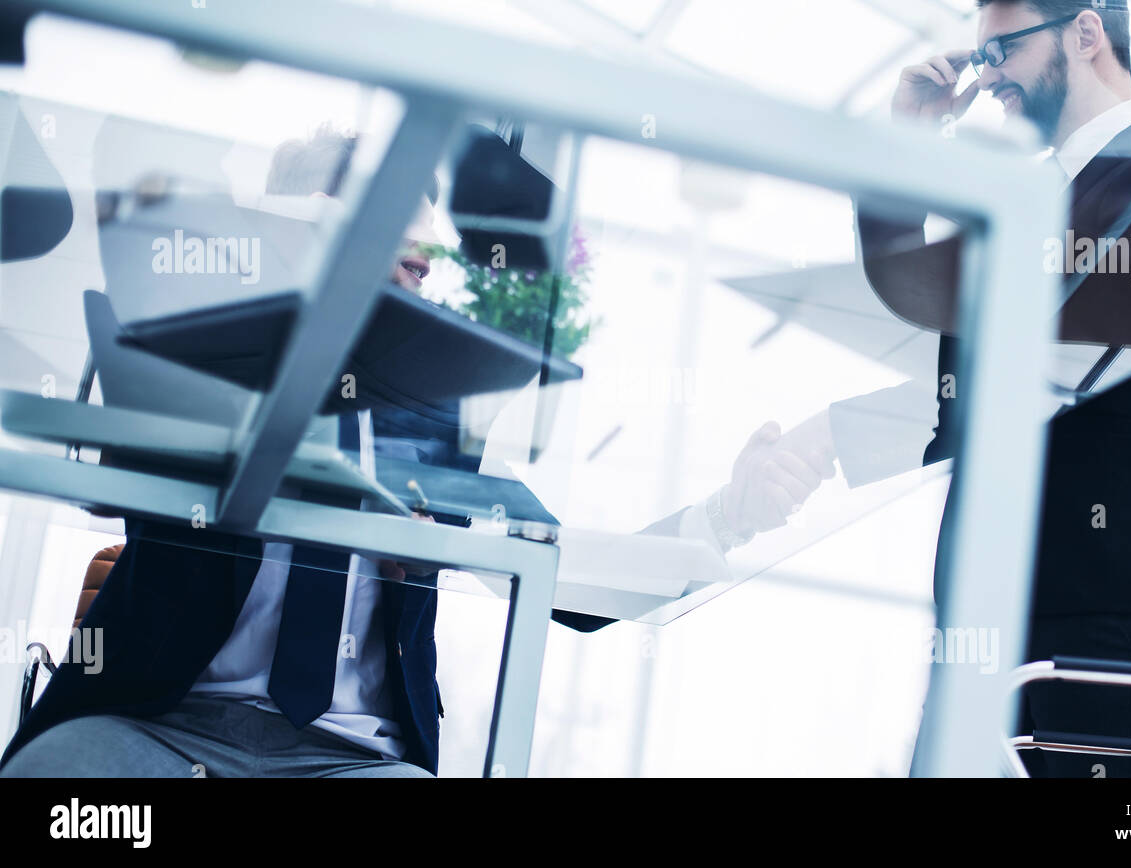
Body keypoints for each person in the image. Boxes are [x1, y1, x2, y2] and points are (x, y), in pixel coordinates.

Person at [0, 127, 832, 777]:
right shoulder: (196, 372)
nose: (415, 291)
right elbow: (101, 483)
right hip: (157, 733)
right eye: (392, 262)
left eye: (422, 272)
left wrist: (730, 516)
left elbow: (572, 580)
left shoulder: (435, 435)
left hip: (350, 761)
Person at [792, 0, 1131, 777]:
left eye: (1000, 49)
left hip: (1114, 608)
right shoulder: (1013, 207)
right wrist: (907, 150)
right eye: (979, 56)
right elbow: (916, 323)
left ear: (1086, 32)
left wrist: (837, 433)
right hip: (983, 606)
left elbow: (1052, 359)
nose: (984, 75)